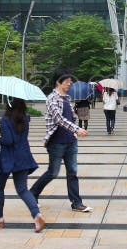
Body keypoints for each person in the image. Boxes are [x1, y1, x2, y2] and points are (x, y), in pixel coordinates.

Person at [30, 71, 93, 213]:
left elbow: (70, 117)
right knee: (53, 172)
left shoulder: (67, 98)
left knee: (72, 172)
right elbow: (59, 119)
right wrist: (77, 129)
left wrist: (73, 133)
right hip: (56, 143)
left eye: (70, 81)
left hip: (70, 142)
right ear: (58, 82)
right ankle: (33, 192)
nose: (70, 84)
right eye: (67, 82)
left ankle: (77, 203)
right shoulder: (52, 98)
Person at [0, 97, 45, 232]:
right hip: (23, 157)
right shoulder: (25, 119)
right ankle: (37, 215)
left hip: (7, 159)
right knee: (23, 190)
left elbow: (8, 141)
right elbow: (19, 137)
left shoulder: (6, 120)